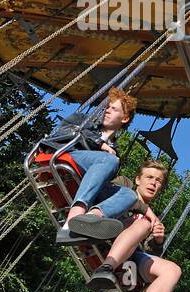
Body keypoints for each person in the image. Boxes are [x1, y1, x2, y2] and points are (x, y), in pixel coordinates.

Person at [82, 161, 181, 292]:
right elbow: (103, 192)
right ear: (138, 179)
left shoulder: (154, 220)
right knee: (143, 223)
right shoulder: (124, 185)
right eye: (150, 177)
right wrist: (144, 211)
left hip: (130, 255)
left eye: (159, 181)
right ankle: (106, 268)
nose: (154, 183)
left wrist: (158, 243)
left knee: (172, 270)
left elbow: (149, 254)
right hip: (105, 235)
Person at [42, 87, 140, 245]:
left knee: (130, 195)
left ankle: (91, 218)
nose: (107, 111)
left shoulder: (113, 151)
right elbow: (61, 134)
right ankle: (73, 219)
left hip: (87, 174)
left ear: (125, 118)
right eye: (107, 107)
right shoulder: (84, 121)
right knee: (109, 160)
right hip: (68, 154)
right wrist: (99, 143)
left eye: (113, 109)